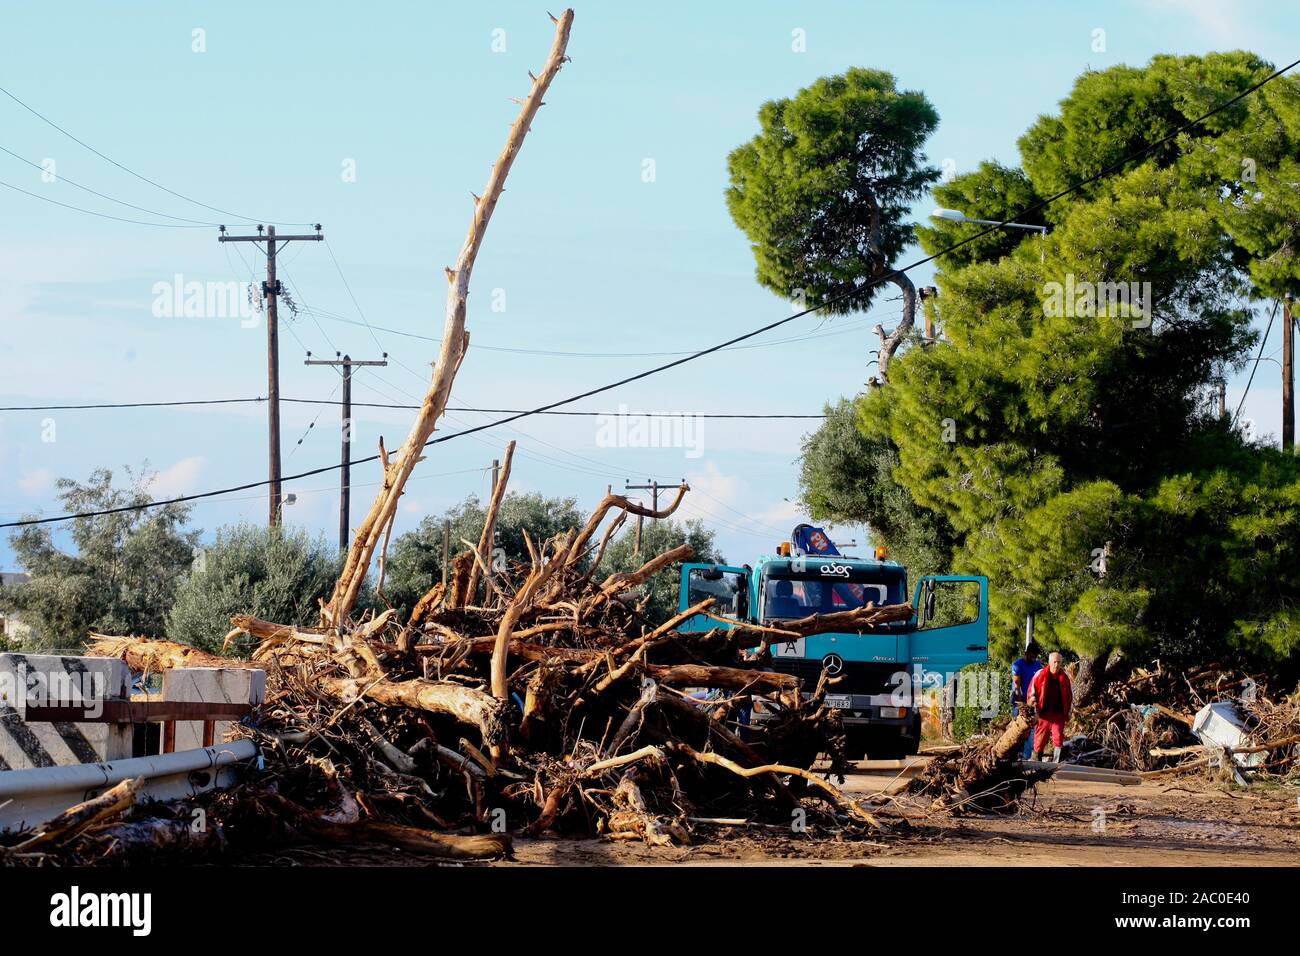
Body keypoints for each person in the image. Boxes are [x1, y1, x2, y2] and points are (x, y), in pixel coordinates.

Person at [1027, 652, 1073, 763]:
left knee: (1058, 738)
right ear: (1049, 662)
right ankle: (1036, 763)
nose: (1056, 665)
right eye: (1054, 662)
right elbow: (1031, 691)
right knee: (1039, 740)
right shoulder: (1040, 674)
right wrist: (1033, 706)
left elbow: (1070, 697)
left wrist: (1069, 712)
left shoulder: (1065, 678)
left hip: (1058, 715)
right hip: (1044, 714)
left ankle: (1056, 765)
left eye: (1059, 662)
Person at [1011, 642, 1043, 759]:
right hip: (1019, 701)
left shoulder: (1037, 665)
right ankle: (1014, 753)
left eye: (1034, 657)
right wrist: (1022, 707)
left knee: (1031, 731)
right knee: (1017, 728)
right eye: (1031, 656)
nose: (1032, 659)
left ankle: (1026, 756)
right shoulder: (1017, 665)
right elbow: (1017, 688)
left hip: (1032, 701)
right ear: (1026, 653)